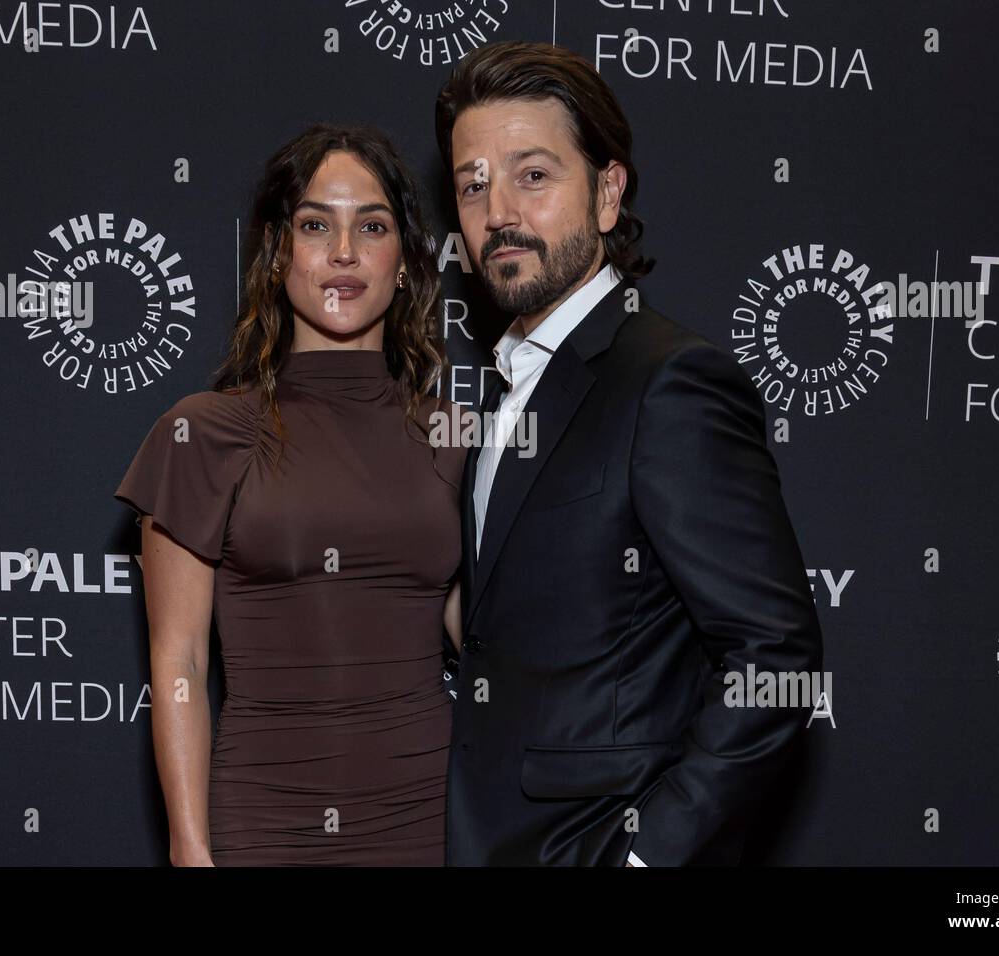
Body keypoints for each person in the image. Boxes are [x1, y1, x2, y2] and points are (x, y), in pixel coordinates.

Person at [434, 41, 825, 866]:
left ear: (607, 193)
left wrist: (649, 856)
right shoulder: (507, 396)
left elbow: (775, 658)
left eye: (532, 176)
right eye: (473, 184)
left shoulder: (669, 380)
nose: (498, 209)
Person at [113, 124, 466, 866]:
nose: (344, 253)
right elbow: (177, 664)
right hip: (264, 819)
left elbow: (481, 636)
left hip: (431, 819)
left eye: (372, 226)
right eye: (315, 226)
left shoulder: (456, 437)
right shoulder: (204, 435)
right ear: (277, 255)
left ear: (404, 262)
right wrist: (189, 848)